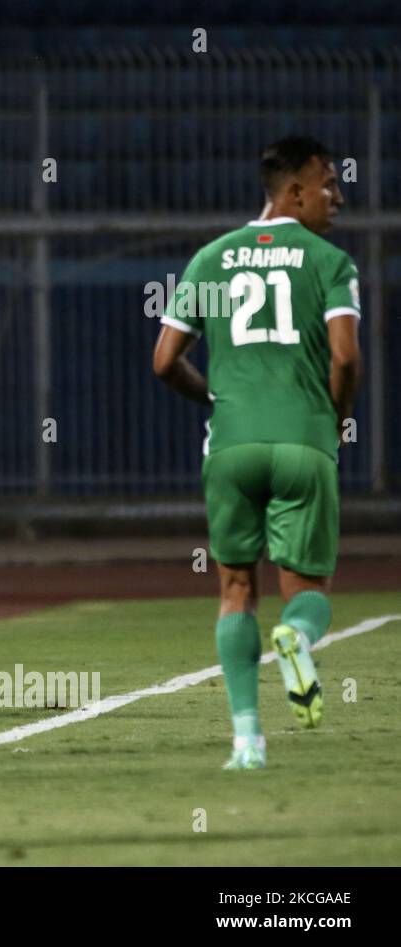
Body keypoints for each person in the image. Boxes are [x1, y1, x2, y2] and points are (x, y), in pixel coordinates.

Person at [153, 135, 362, 770]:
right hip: (303, 439)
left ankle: (247, 740)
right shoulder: (330, 262)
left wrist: (215, 399)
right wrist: (334, 419)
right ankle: (296, 638)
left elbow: (165, 361)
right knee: (309, 590)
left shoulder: (211, 260)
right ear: (294, 192)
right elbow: (347, 356)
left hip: (233, 445)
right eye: (328, 182)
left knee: (236, 589)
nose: (339, 196)